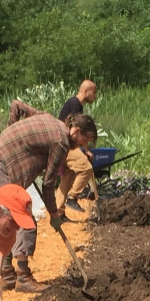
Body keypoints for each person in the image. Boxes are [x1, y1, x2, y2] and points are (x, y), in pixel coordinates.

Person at [0, 100, 98, 292]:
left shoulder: (49, 118)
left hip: (0, 161)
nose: (83, 145)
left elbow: (17, 106)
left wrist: (11, 134)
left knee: (10, 218)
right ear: (76, 131)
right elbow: (48, 183)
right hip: (3, 167)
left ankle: (7, 274)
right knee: (24, 221)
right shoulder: (61, 142)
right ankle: (22, 277)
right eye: (85, 140)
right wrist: (54, 214)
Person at [56, 80, 99, 216]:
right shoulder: (76, 104)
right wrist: (86, 151)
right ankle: (72, 197)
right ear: (86, 91)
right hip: (65, 144)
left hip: (64, 144)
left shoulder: (74, 103)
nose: (95, 96)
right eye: (94, 92)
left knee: (67, 178)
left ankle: (59, 213)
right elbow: (79, 131)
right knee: (86, 168)